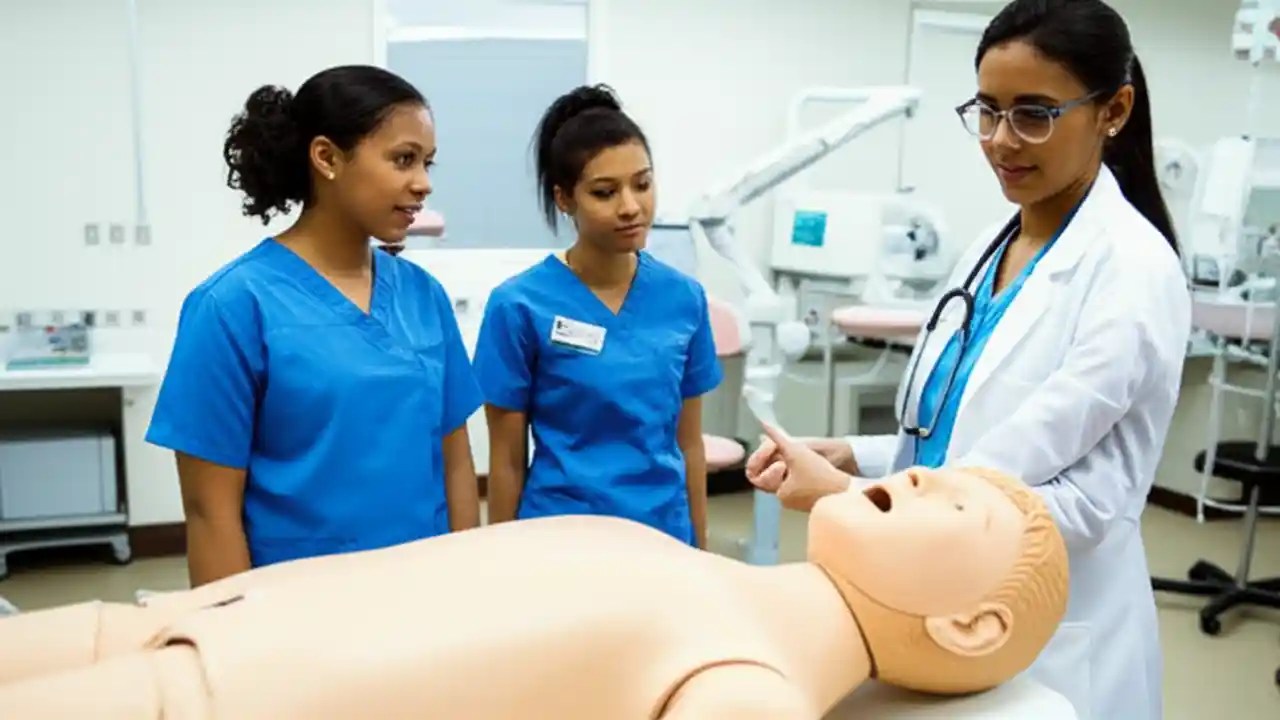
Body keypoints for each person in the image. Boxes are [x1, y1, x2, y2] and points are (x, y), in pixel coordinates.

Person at [746, 1, 1189, 719]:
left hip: (1052, 624)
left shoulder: (1133, 272)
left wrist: (845, 498)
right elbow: (958, 437)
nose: (1001, 141)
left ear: (1115, 110)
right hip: (941, 601)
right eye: (988, 110)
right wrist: (857, 455)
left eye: (1034, 114)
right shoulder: (992, 245)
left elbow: (1084, 504)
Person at [0, 451, 1071, 720]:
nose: (920, 471)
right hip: (193, 622)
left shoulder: (752, 683)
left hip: (218, 700)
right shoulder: (707, 578)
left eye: (956, 506)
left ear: (969, 625)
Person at [145, 65, 483, 587]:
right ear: (326, 157)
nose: (423, 184)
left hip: (427, 597)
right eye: (403, 159)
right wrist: (233, 642)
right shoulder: (232, 305)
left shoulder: (423, 296)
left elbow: (457, 465)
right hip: (298, 611)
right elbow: (211, 515)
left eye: (427, 163)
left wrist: (470, 588)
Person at [472, 85, 723, 547]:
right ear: (564, 198)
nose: (631, 207)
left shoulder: (683, 299)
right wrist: (500, 562)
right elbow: (505, 459)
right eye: (605, 192)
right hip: (561, 538)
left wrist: (701, 551)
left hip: (661, 534)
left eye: (643, 184)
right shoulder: (519, 305)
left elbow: (689, 443)